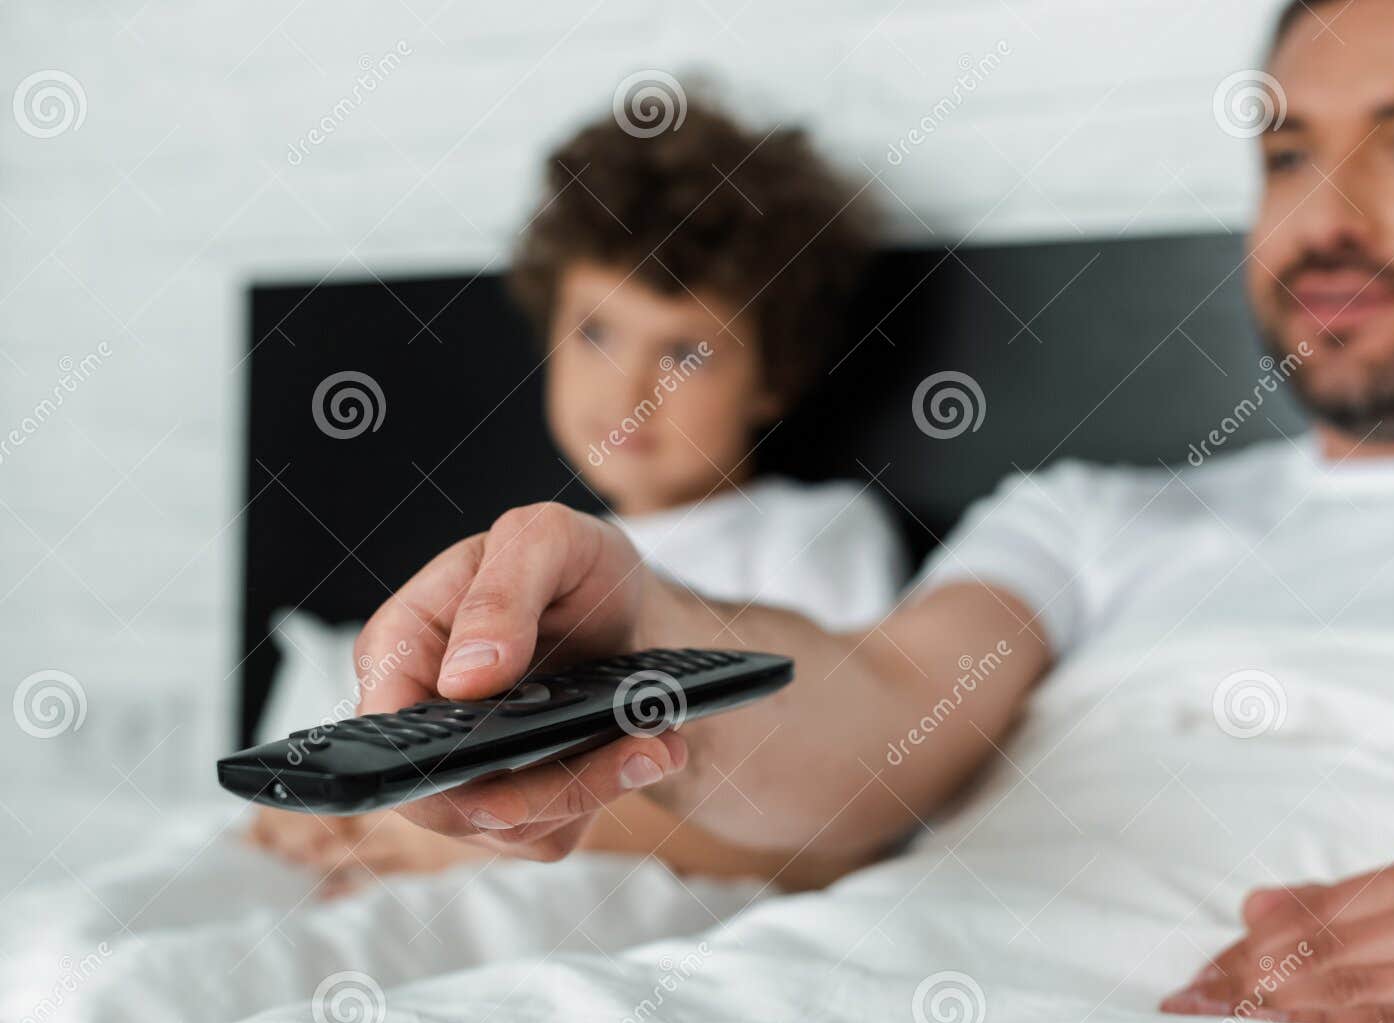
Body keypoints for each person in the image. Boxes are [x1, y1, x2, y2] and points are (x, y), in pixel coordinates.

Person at [335, 0, 1394, 1023]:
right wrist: (648, 644)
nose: (1327, 217)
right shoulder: (1092, 518)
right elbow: (880, 711)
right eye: (1286, 155)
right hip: (850, 1017)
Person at [248, 100, 905, 890]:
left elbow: (837, 826)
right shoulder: (535, 566)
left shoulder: (812, 533)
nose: (627, 391)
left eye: (686, 354)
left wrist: (472, 838)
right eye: (596, 334)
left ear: (774, 376)